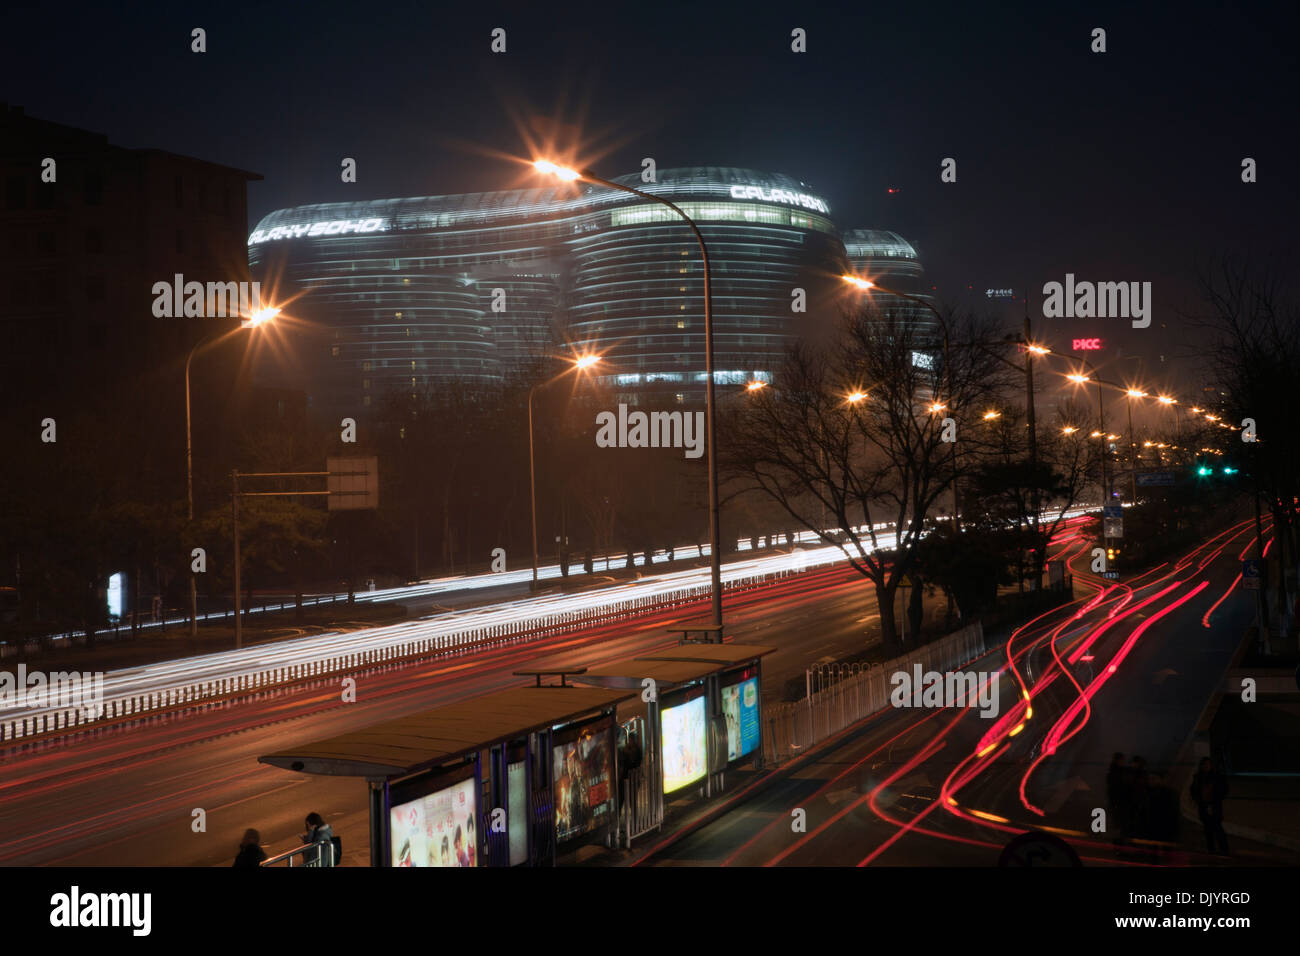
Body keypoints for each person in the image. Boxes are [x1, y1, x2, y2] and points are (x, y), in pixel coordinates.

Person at [1191, 757, 1230, 855]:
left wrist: (1215, 799)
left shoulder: (1218, 777)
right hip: (1203, 806)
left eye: (1208, 764)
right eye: (1204, 764)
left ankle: (1224, 850)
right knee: (1208, 829)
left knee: (1217, 828)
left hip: (1214, 806)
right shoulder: (1198, 777)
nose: (1206, 766)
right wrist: (1198, 799)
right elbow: (1193, 790)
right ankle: (1211, 849)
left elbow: (1224, 790)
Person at [1105, 752, 1130, 843]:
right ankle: (1119, 842)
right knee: (1120, 823)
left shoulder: (1113, 771)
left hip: (1116, 801)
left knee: (1117, 823)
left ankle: (1118, 842)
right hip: (1119, 801)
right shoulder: (1119, 772)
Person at [1128, 756, 1150, 840]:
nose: (1132, 765)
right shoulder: (1140, 774)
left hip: (1137, 801)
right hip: (1137, 801)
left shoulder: (1139, 775)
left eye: (1134, 763)